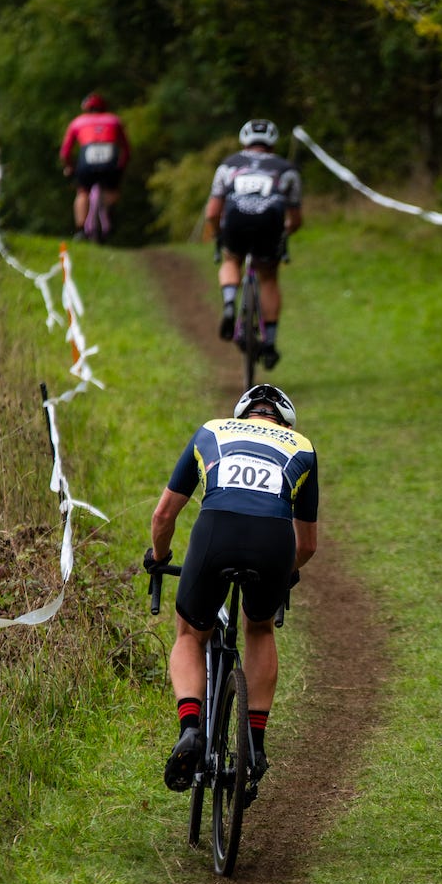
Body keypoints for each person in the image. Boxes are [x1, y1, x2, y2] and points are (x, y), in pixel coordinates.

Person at [144, 383, 317, 791]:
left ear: (243, 416)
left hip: (216, 529)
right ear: (284, 421)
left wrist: (160, 557)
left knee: (190, 632)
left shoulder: (211, 431)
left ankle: (190, 728)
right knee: (258, 627)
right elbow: (307, 544)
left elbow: (164, 514)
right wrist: (283, 572)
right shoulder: (302, 446)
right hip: (273, 540)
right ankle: (254, 744)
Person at [204, 118, 302, 369]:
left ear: (244, 140)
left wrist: (218, 234)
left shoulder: (229, 165)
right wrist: (285, 233)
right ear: (272, 143)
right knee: (268, 277)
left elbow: (213, 213)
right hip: (270, 221)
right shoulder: (286, 168)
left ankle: (228, 303)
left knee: (231, 258)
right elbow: (296, 219)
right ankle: (269, 343)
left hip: (235, 218)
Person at [59, 93, 130, 236]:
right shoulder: (114, 120)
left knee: (82, 192)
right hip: (110, 162)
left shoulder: (77, 122)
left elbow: (65, 152)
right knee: (112, 191)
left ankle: (80, 229)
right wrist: (121, 166)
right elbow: (126, 150)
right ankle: (107, 213)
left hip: (86, 161)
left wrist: (69, 167)